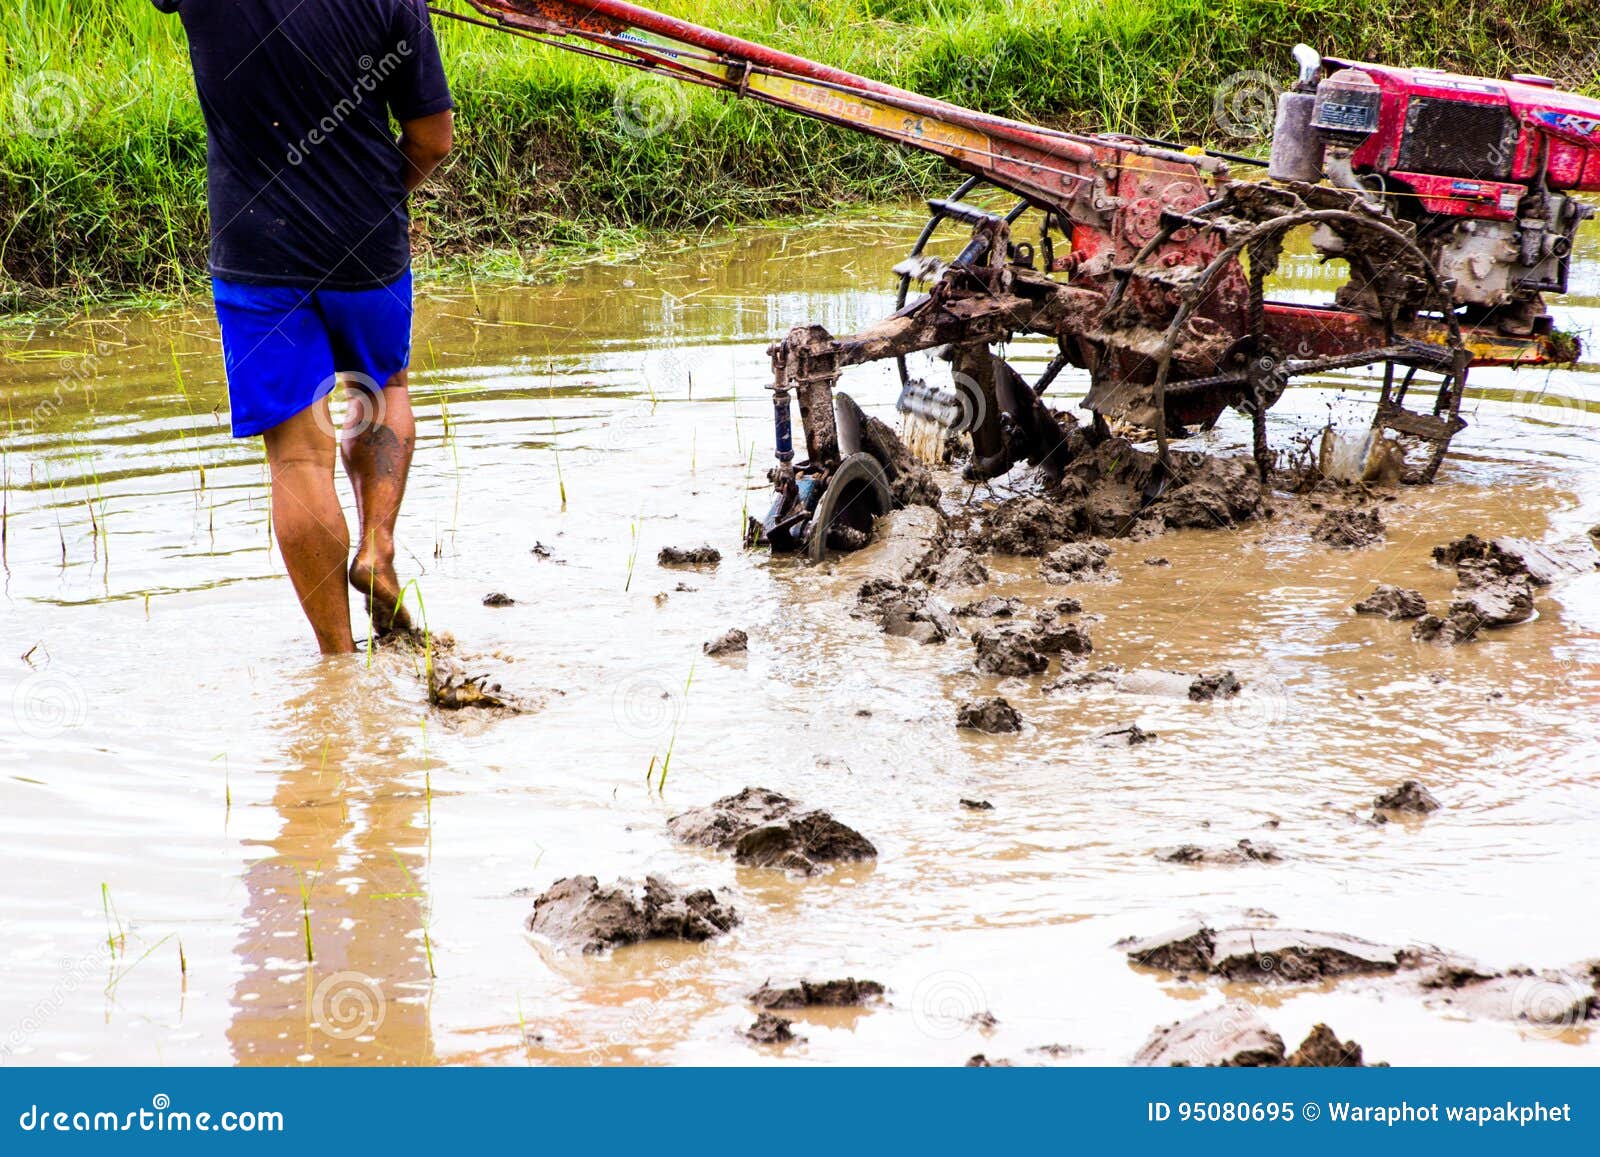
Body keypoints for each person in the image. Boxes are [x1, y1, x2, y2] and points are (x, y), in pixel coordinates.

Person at [153, 0, 454, 654]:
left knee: (296, 455)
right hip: (366, 244)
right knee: (383, 386)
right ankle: (376, 547)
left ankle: (337, 660)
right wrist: (377, 201)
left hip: (257, 253)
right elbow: (433, 140)